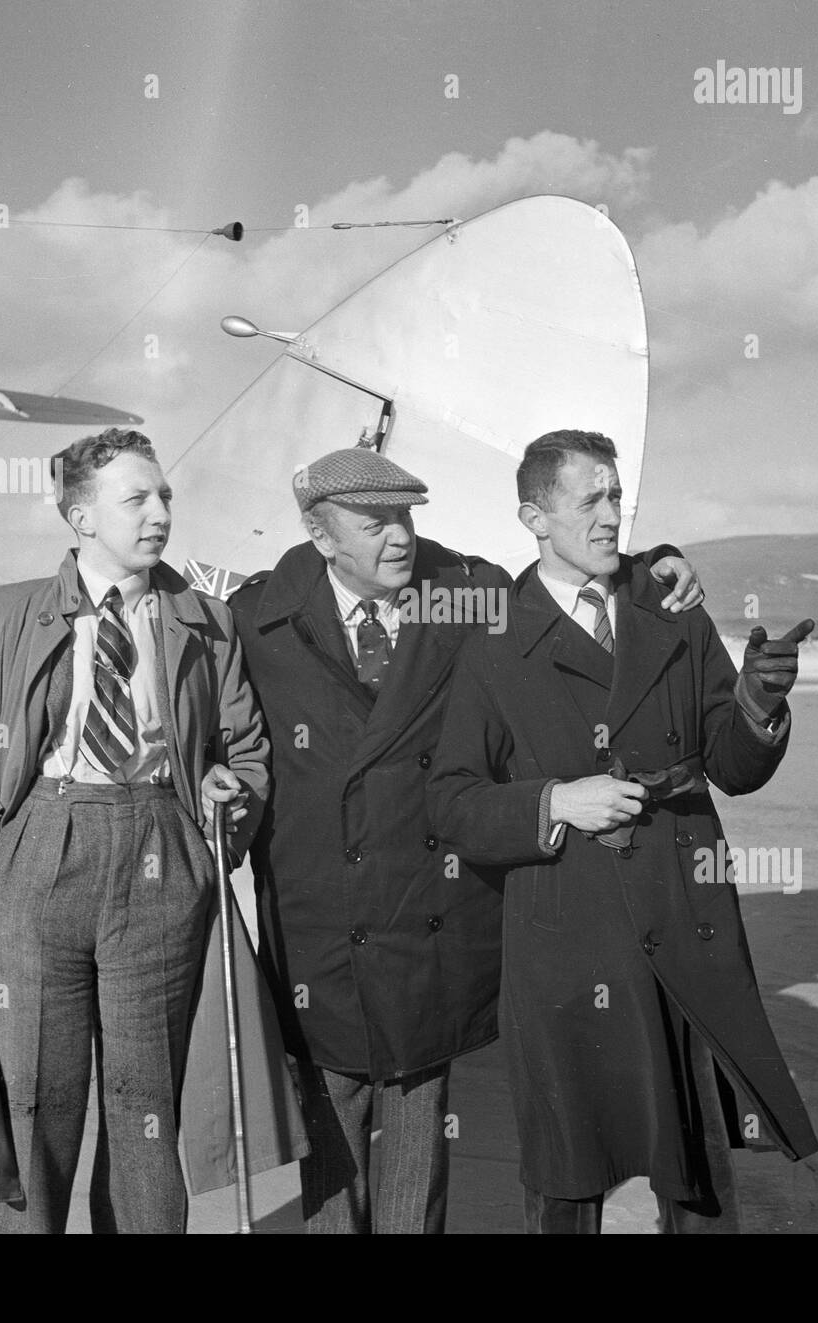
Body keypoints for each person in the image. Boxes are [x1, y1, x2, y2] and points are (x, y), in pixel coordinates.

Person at [205, 445, 703, 1233]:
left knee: (417, 1123)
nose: (398, 537)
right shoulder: (257, 617)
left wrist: (651, 568)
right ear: (318, 531)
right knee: (329, 1134)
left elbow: (561, 591)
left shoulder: (461, 594)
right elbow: (215, 726)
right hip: (318, 918)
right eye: (374, 524)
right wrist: (214, 780)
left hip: (427, 914)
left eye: (406, 516)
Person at [428, 428, 818, 1234]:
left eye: (616, 496)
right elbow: (452, 803)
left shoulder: (672, 611)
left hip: (684, 918)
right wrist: (555, 801)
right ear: (534, 516)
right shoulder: (495, 641)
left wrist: (758, 704)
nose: (612, 515)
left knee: (697, 1169)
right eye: (590, 500)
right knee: (570, 1174)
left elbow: (733, 766)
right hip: (567, 938)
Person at [0, 427, 304, 1234]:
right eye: (137, 498)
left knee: (145, 1106)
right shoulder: (5, 616)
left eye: (165, 495)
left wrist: (224, 796)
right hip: (38, 854)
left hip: (163, 855)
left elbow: (244, 748)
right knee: (33, 1100)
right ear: (81, 516)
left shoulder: (207, 621)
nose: (160, 511)